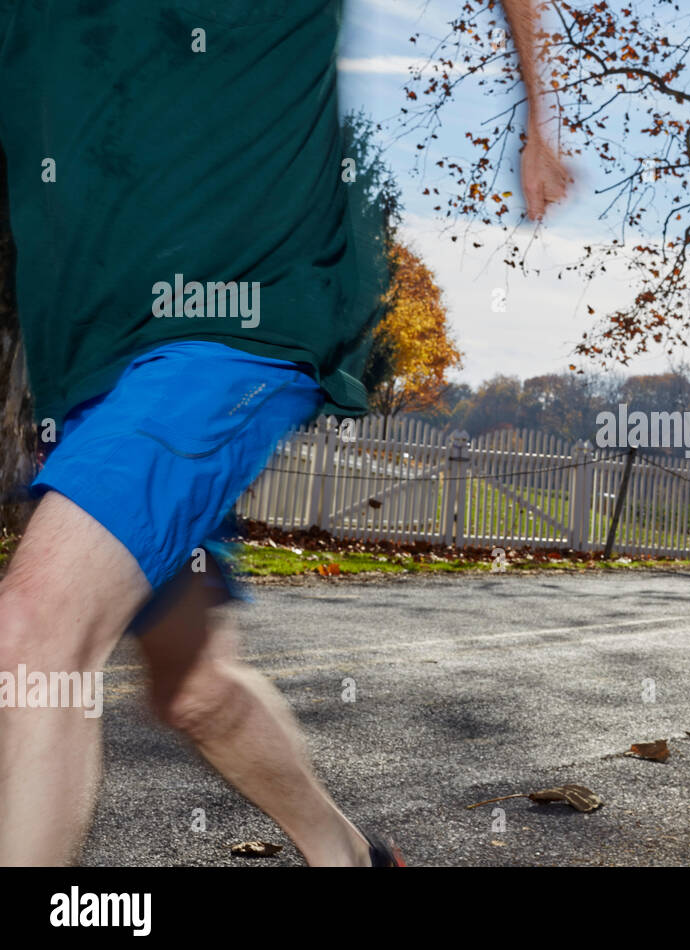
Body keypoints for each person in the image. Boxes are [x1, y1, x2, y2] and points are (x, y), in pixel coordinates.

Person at [0, 0, 570, 866]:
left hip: (240, 317)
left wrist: (540, 115)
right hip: (92, 367)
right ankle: (348, 855)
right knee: (193, 691)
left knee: (33, 634)